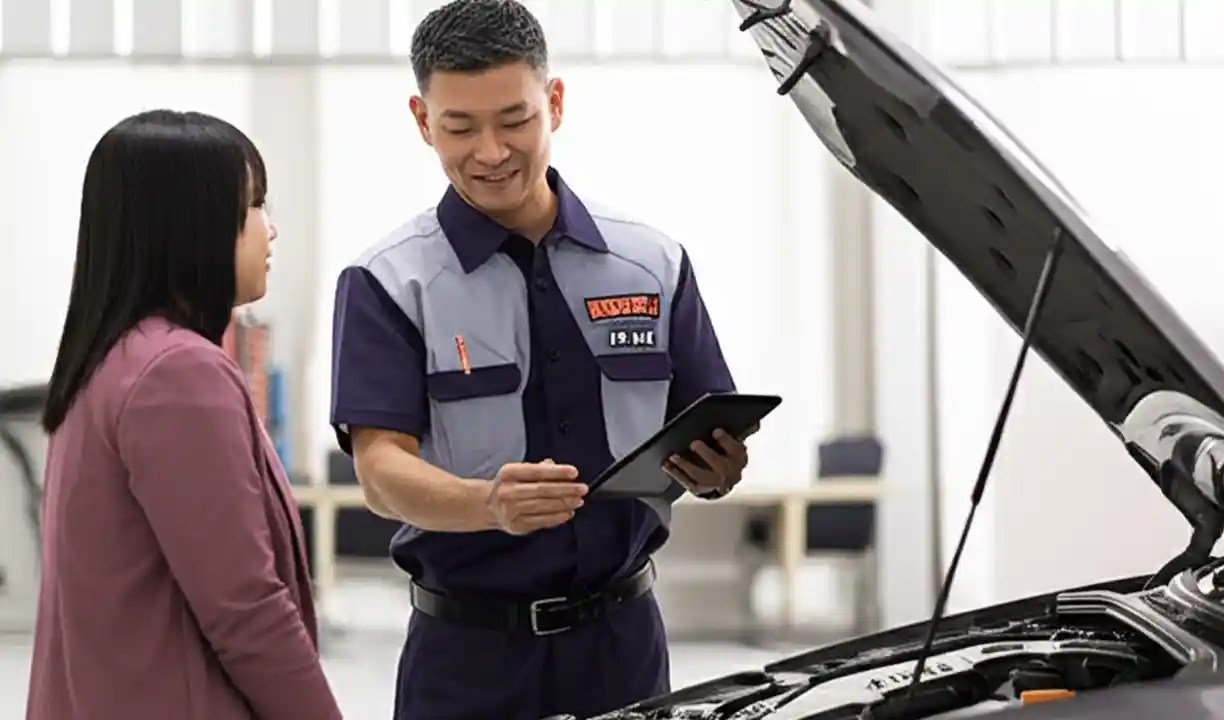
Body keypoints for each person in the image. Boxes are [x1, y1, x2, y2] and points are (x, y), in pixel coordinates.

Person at [327, 1, 756, 717]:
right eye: (460, 127)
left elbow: (704, 427)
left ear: (554, 103)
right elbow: (380, 474)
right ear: (422, 121)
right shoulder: (388, 282)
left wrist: (716, 471)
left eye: (514, 120)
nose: (491, 152)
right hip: (466, 660)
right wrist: (487, 505)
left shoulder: (652, 264)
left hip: (623, 649)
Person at [26, 110, 343, 720]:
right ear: (193, 224)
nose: (271, 230)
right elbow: (246, 607)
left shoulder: (112, 360)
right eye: (254, 206)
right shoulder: (177, 374)